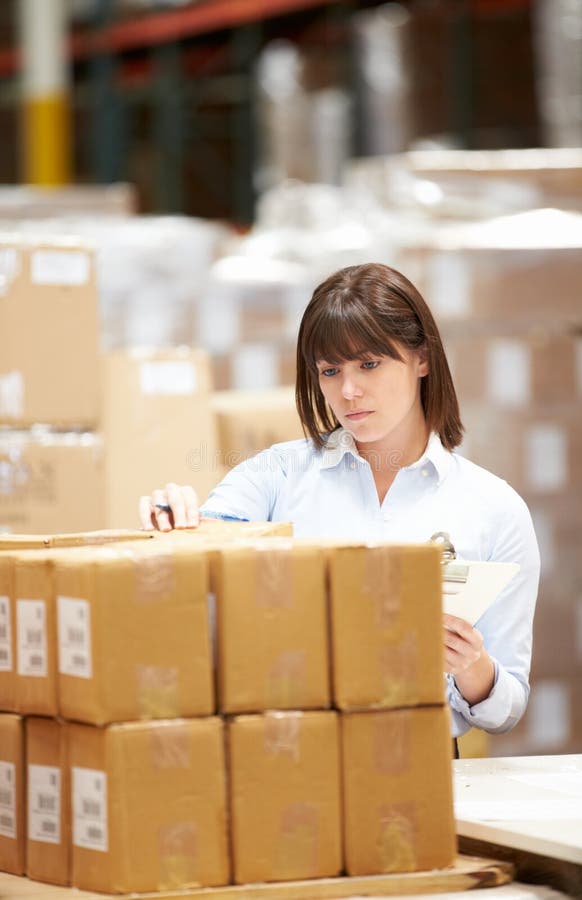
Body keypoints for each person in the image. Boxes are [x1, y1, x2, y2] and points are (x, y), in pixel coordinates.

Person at [139, 262, 540, 740]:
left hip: (419, 768)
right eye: (330, 371)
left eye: (369, 364)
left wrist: (472, 667)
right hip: (290, 758)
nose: (348, 391)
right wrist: (174, 520)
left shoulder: (495, 510)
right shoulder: (275, 476)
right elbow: (199, 565)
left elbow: (505, 710)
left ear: (422, 359)